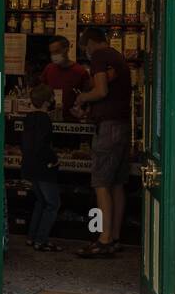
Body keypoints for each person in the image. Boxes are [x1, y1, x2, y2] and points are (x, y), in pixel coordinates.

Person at [72, 27, 132, 258]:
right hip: (122, 126)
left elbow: (101, 91)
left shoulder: (100, 56)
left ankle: (103, 239)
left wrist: (82, 98)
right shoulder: (118, 57)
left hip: (108, 129)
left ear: (90, 44)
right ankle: (115, 236)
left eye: (84, 48)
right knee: (117, 184)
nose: (86, 52)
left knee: (101, 184)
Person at [22, 84, 61, 251]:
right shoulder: (45, 120)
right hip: (43, 167)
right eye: (52, 98)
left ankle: (32, 237)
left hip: (29, 165)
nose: (54, 100)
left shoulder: (28, 118)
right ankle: (41, 240)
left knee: (41, 201)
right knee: (53, 203)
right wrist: (54, 159)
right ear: (46, 102)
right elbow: (42, 144)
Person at [40, 35, 90, 118]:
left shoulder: (80, 71)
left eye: (57, 51)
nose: (54, 55)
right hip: (51, 119)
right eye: (52, 52)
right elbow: (41, 92)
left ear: (66, 49)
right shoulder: (49, 69)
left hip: (73, 120)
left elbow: (87, 96)